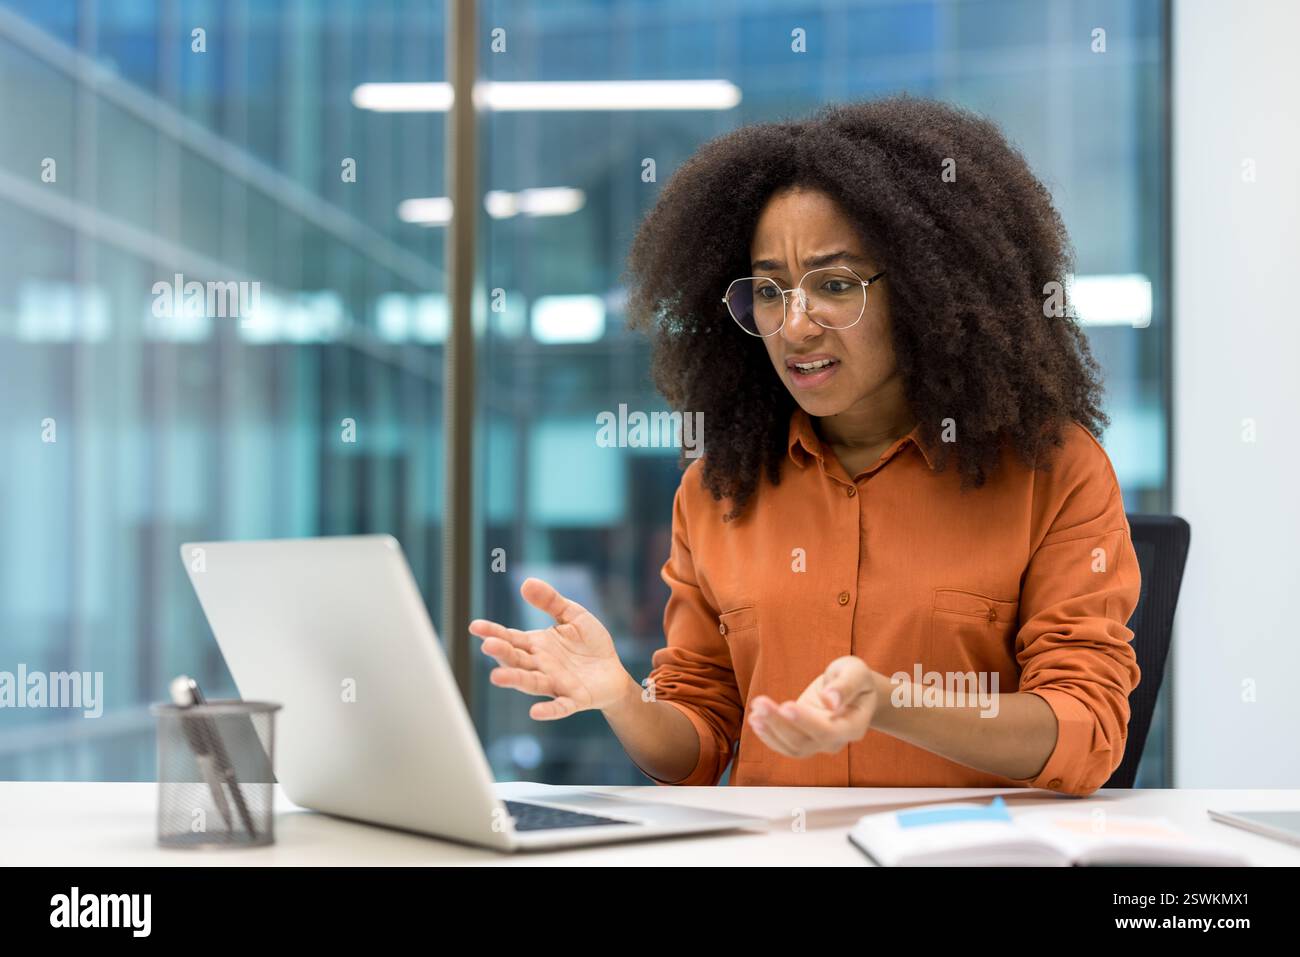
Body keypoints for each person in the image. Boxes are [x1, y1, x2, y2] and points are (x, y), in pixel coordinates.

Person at [470, 94, 1141, 796]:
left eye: (836, 284)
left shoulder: (1053, 469)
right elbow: (696, 747)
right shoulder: (717, 489)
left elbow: (1087, 731)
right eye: (769, 289)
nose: (795, 327)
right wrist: (619, 697)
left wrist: (891, 704)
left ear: (926, 290)